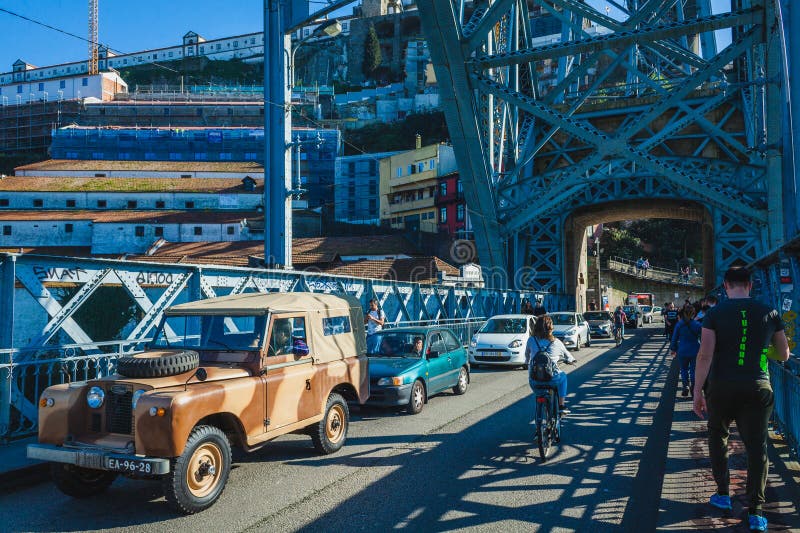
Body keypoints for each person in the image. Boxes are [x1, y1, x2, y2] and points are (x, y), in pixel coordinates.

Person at [693, 267, 790, 532]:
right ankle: (757, 512)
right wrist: (761, 349)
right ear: (750, 285)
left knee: (718, 436)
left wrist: (697, 392)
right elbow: (783, 355)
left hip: (721, 388)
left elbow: (704, 356)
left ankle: (723, 495)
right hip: (757, 387)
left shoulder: (713, 314)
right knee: (757, 448)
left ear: (725, 286)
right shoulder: (770, 312)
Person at [525, 314, 576, 414]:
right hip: (552, 379)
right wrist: (571, 360)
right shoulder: (556, 342)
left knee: (538, 392)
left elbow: (527, 355)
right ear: (551, 328)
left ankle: (539, 413)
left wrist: (528, 363)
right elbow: (568, 356)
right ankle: (561, 405)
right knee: (563, 377)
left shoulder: (531, 340)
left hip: (535, 380)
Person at [670, 305, 702, 397]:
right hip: (695, 350)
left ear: (683, 313)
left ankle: (685, 386)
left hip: (682, 350)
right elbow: (703, 338)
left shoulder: (679, 324)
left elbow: (674, 338)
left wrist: (673, 349)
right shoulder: (697, 325)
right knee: (693, 370)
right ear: (693, 313)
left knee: (683, 369)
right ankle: (693, 386)